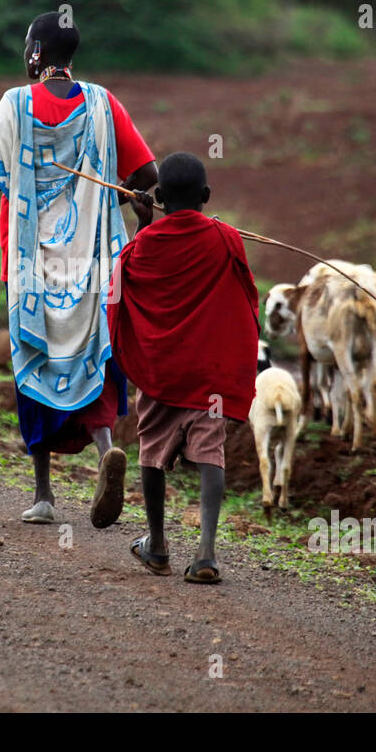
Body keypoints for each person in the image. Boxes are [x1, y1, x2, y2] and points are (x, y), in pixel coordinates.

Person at [0, 11, 156, 527]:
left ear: (38, 53)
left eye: (27, 46)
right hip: (93, 268)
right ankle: (107, 447)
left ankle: (44, 496)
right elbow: (147, 175)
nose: (25, 54)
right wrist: (134, 199)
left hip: (30, 272)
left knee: (34, 366)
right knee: (93, 359)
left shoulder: (15, 104)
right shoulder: (104, 105)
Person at [106, 152, 259, 583]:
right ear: (207, 196)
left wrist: (143, 223)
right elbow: (246, 298)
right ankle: (206, 554)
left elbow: (121, 286)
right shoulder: (227, 238)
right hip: (208, 375)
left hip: (161, 370)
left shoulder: (146, 243)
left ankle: (156, 546)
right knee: (211, 453)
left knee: (152, 451)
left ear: (156, 198)